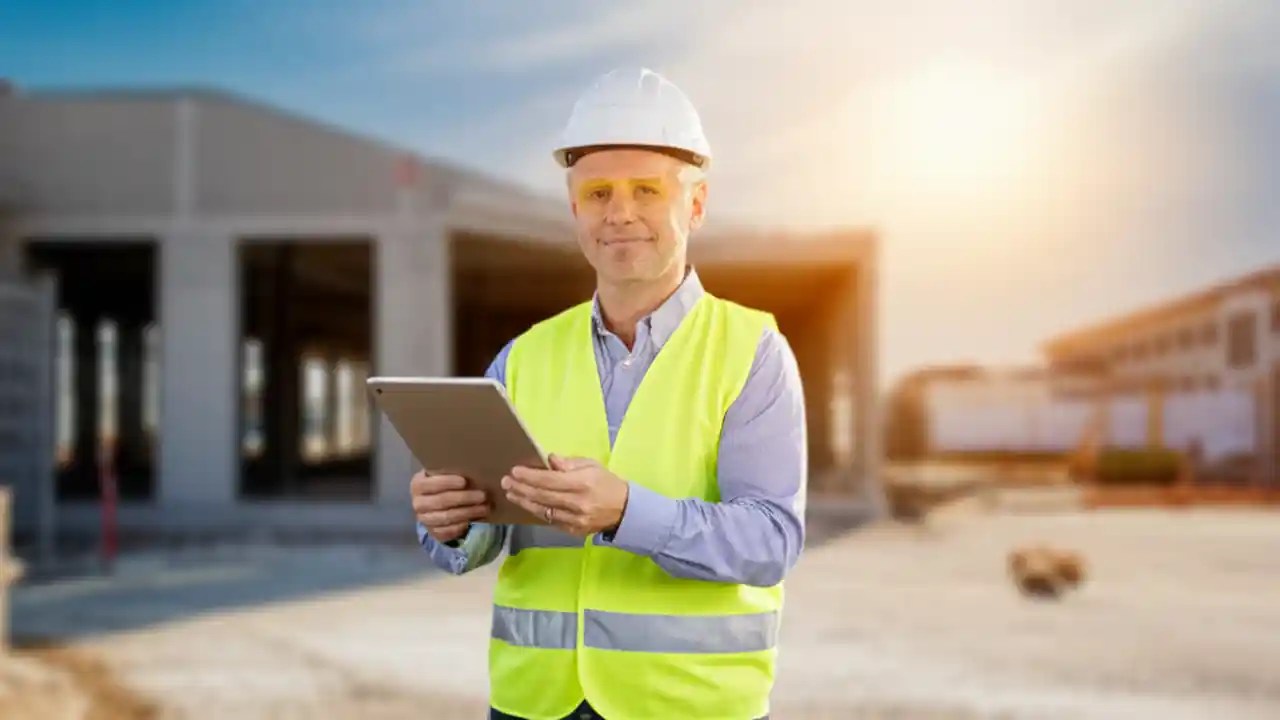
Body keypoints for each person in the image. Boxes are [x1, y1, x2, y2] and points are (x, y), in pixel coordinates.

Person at [410, 67, 807, 720]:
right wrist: (450, 521)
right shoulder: (522, 358)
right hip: (532, 705)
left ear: (697, 205)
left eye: (646, 190)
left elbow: (769, 542)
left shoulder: (751, 352)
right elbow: (469, 545)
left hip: (692, 709)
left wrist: (626, 511)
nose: (619, 212)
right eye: (597, 193)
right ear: (574, 210)